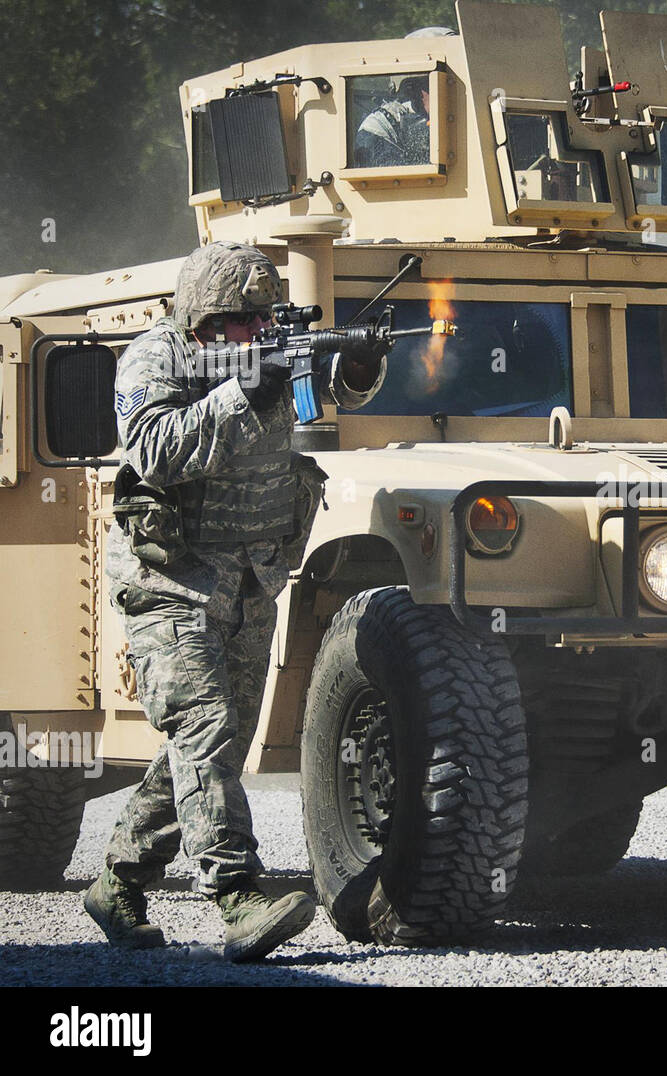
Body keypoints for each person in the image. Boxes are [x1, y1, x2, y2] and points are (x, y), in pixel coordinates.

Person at [83, 241, 385, 962]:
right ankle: (237, 894)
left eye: (259, 322)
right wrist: (243, 391)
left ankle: (119, 880)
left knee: (206, 747)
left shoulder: (270, 353)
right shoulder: (153, 359)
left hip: (250, 582)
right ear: (199, 320)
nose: (251, 336)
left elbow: (334, 393)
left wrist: (361, 369)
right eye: (235, 326)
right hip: (170, 583)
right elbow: (152, 450)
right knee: (207, 730)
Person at [354, 76, 430, 167]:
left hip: (373, 137)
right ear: (421, 91)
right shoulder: (414, 117)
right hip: (375, 138)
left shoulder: (414, 109)